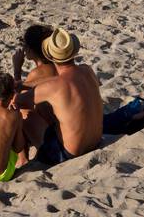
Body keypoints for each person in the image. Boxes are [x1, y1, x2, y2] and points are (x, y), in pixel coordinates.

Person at [17, 28, 103, 164]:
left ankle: (22, 161)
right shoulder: (87, 70)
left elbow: (16, 101)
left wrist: (17, 72)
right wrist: (23, 84)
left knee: (23, 113)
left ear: (50, 55)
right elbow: (63, 80)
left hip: (67, 154)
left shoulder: (55, 86)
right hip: (97, 142)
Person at [13, 24, 55, 92]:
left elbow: (19, 97)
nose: (23, 48)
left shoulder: (36, 74)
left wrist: (17, 69)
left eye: (24, 44)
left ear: (30, 49)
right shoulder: (58, 66)